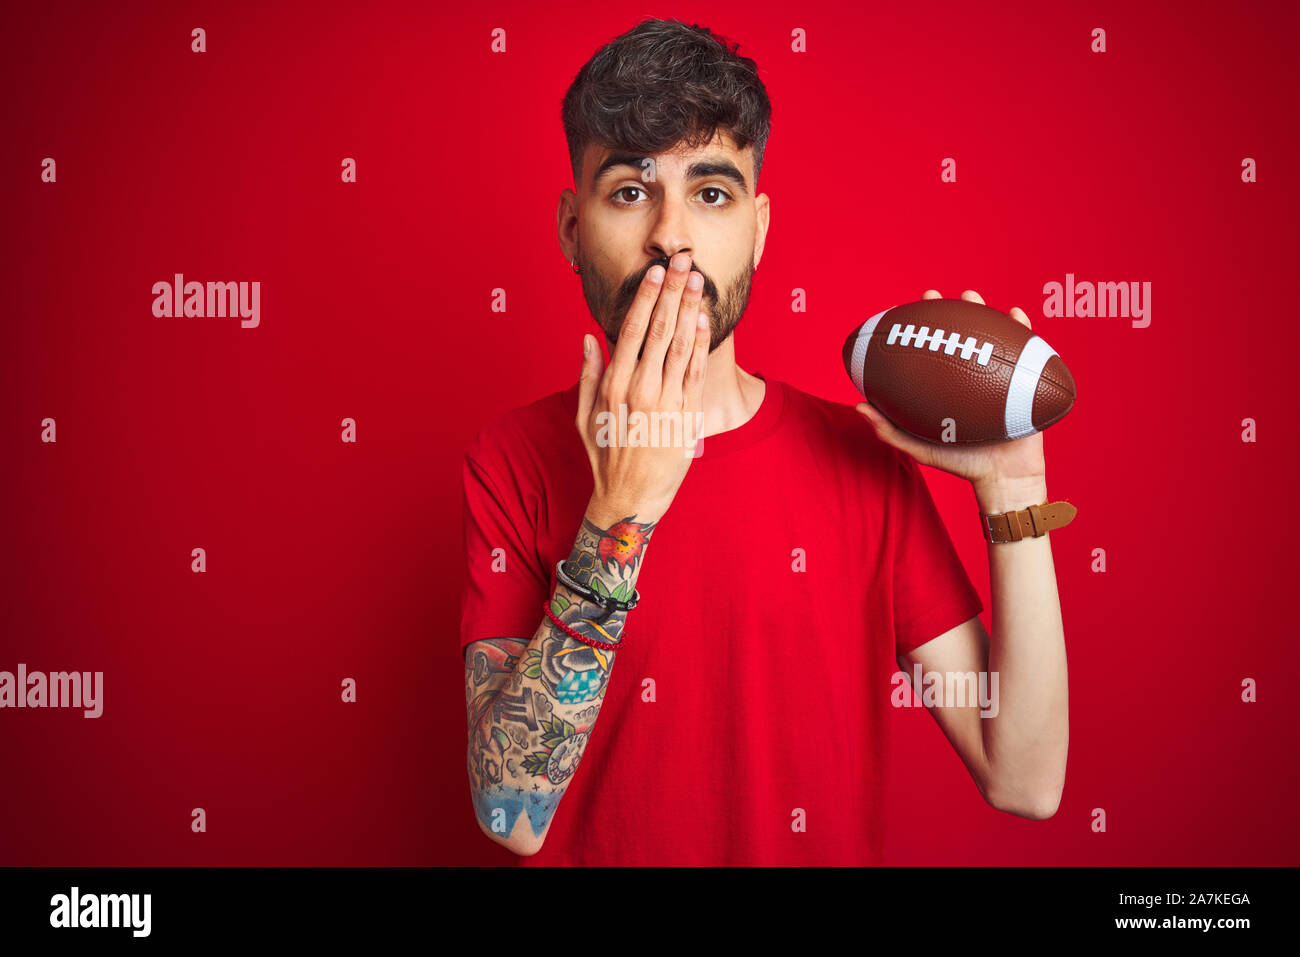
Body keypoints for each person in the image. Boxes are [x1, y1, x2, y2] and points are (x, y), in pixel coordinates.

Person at [459, 17, 1069, 865]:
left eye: (712, 192)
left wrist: (1014, 489)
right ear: (571, 228)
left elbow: (1027, 779)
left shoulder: (859, 463)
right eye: (630, 191)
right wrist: (620, 514)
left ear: (760, 228)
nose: (672, 236)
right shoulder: (512, 458)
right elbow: (509, 813)